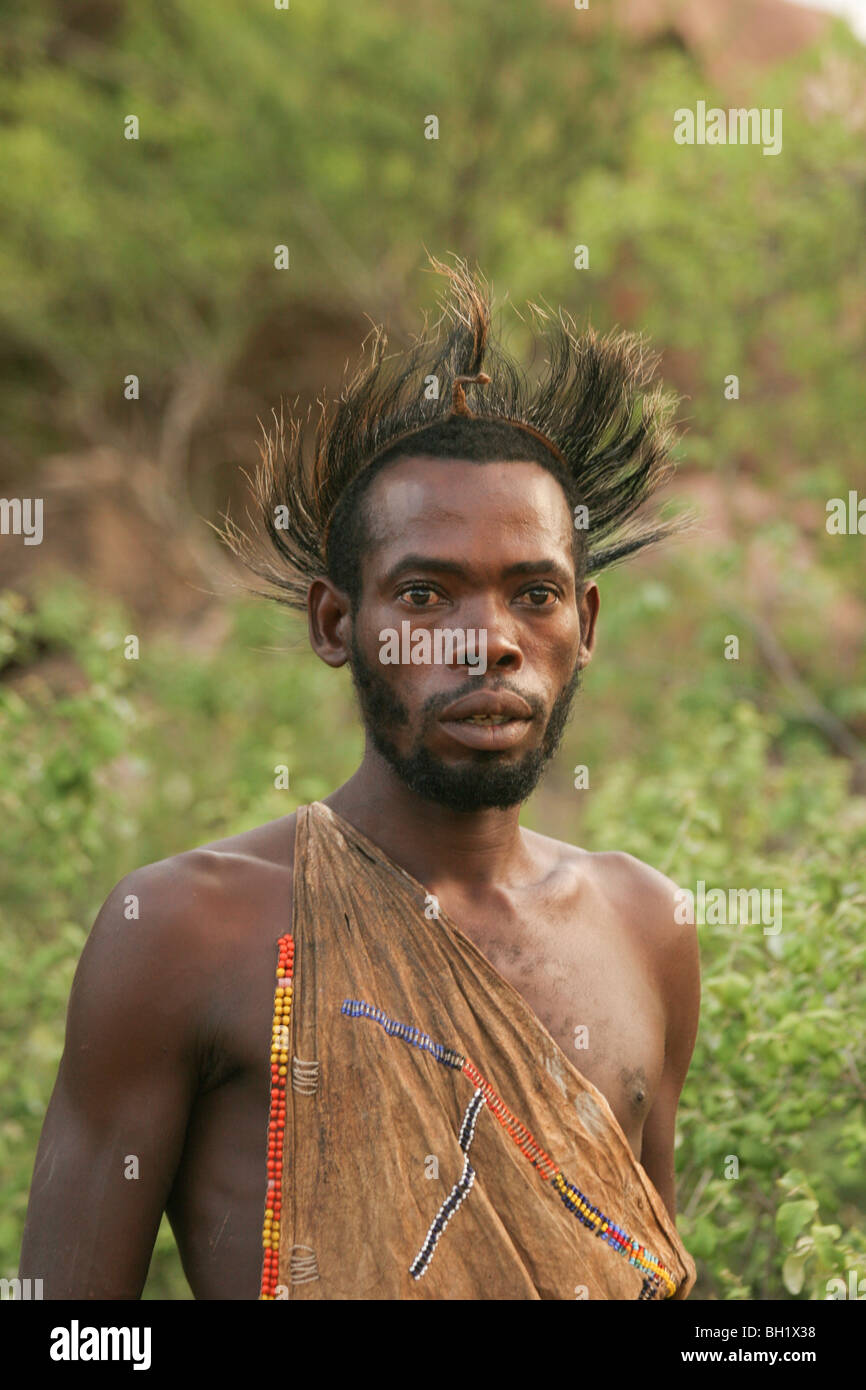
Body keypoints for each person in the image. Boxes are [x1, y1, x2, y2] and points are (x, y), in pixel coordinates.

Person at [20, 255, 699, 1300]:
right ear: (338, 623)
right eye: (428, 595)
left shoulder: (645, 926)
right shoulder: (186, 928)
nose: (490, 642)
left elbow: (645, 1276)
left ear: (585, 624)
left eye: (533, 593)